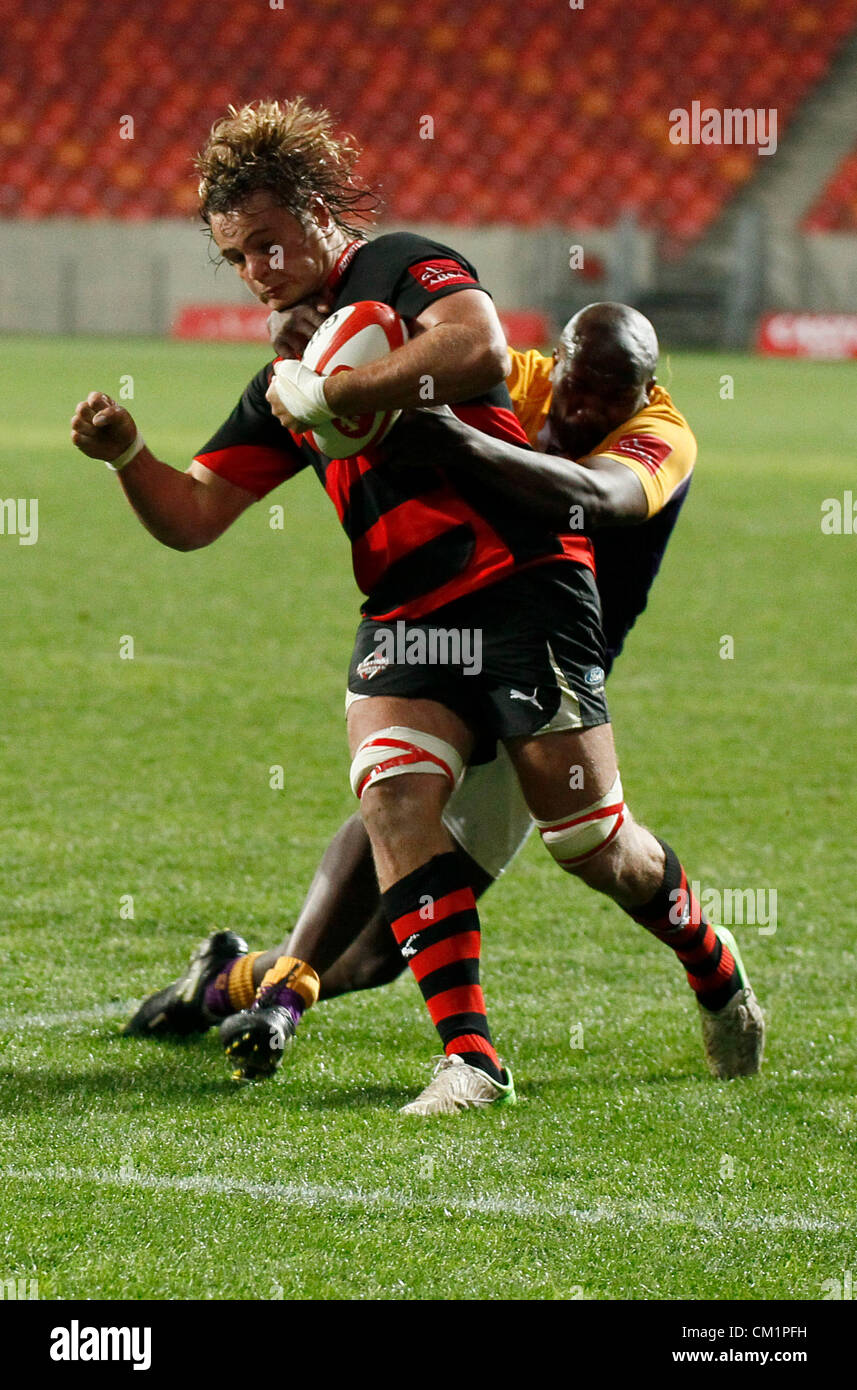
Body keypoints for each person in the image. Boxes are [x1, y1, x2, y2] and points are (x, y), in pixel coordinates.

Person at [72, 99, 763, 1115]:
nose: (259, 268)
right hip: (404, 608)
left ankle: (710, 960)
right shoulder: (283, 380)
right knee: (392, 796)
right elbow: (193, 515)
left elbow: (474, 351)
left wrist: (346, 395)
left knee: (589, 846)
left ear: (318, 213)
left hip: (525, 585)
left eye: (270, 240)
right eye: (239, 256)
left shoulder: (399, 265)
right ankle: (470, 1059)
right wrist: (129, 454)